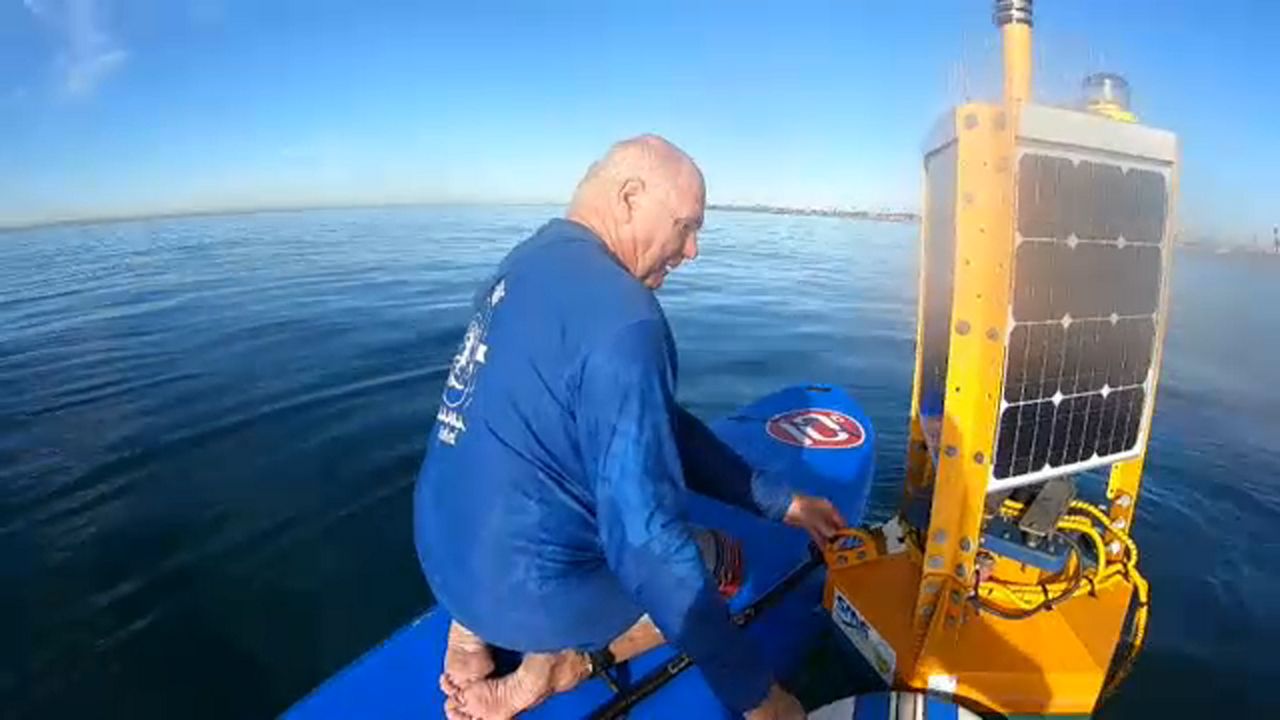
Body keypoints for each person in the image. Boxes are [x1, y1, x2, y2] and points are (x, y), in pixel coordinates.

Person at [414, 135, 846, 720]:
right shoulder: (627, 319)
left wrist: (781, 502)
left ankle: (466, 643)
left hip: (441, 553)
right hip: (531, 598)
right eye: (686, 226)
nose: (692, 250)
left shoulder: (525, 262)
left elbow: (657, 421)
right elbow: (646, 544)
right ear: (629, 196)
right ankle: (557, 667)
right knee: (721, 561)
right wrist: (757, 696)